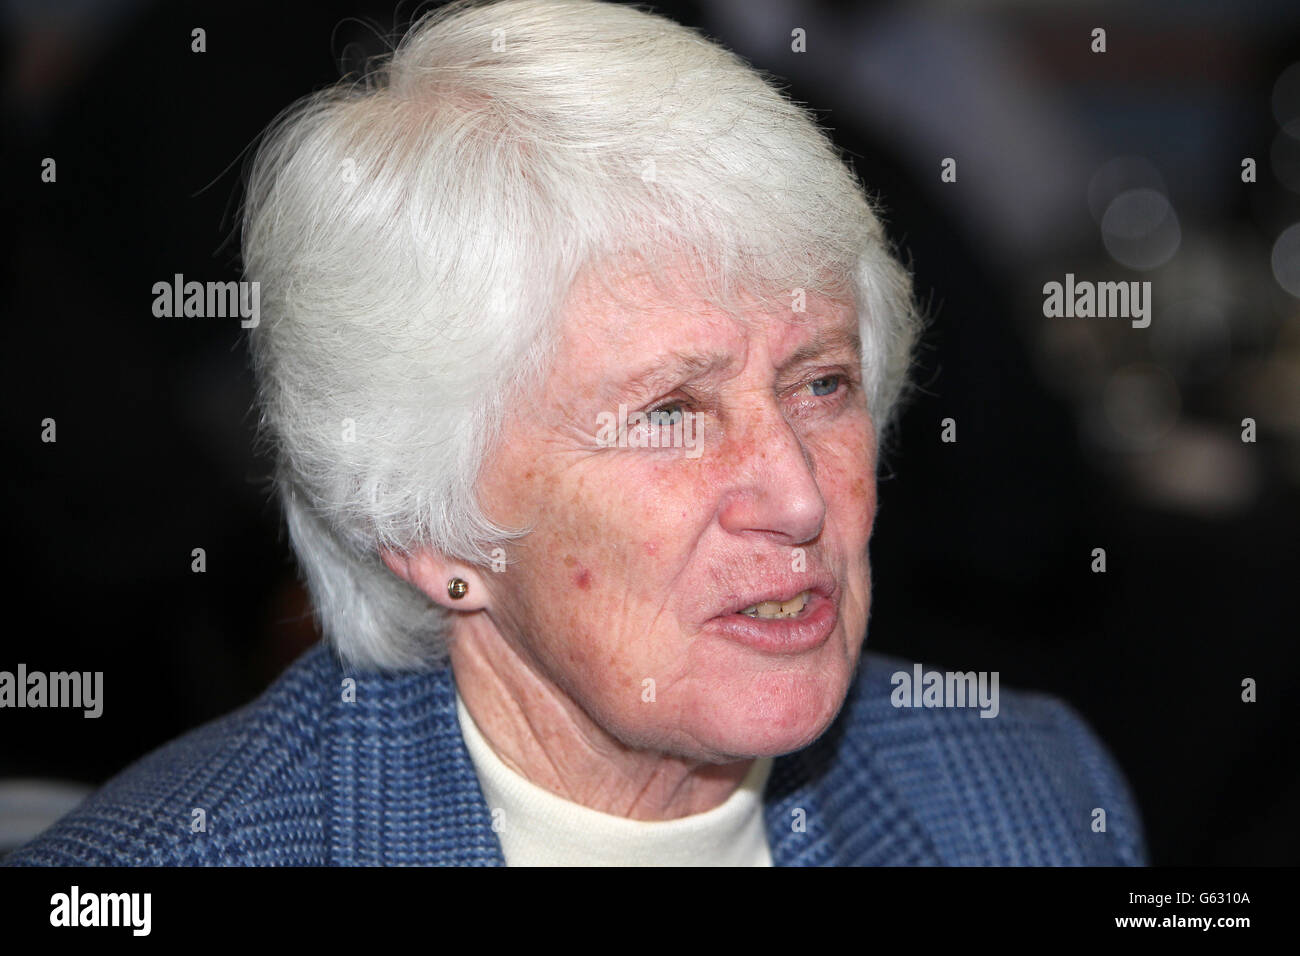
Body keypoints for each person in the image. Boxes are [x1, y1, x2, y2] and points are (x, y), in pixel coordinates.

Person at [5, 0, 1146, 866]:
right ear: (426, 521)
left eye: (820, 385)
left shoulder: (1032, 791)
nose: (797, 496)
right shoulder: (176, 861)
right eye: (668, 412)